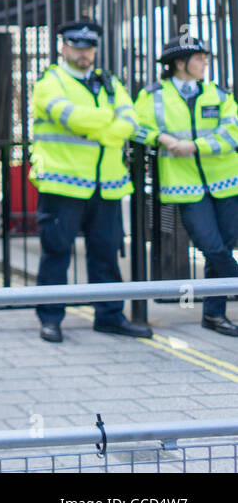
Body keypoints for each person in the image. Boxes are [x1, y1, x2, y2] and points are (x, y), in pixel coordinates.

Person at [30, 18, 152, 343]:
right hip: (63, 182)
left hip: (106, 184)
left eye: (90, 47)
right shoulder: (49, 81)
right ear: (63, 46)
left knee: (106, 253)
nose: (84, 53)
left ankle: (110, 316)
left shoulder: (109, 82)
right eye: (77, 46)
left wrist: (101, 125)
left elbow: (131, 121)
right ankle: (51, 318)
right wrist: (106, 120)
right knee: (56, 253)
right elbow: (68, 116)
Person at [133, 33, 238, 337]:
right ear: (180, 63)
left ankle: (214, 315)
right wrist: (162, 138)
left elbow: (233, 132)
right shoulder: (152, 96)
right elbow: (135, 126)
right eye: (199, 57)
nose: (205, 62)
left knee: (222, 249)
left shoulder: (218, 94)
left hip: (226, 182)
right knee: (213, 247)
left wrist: (195, 146)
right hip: (185, 186)